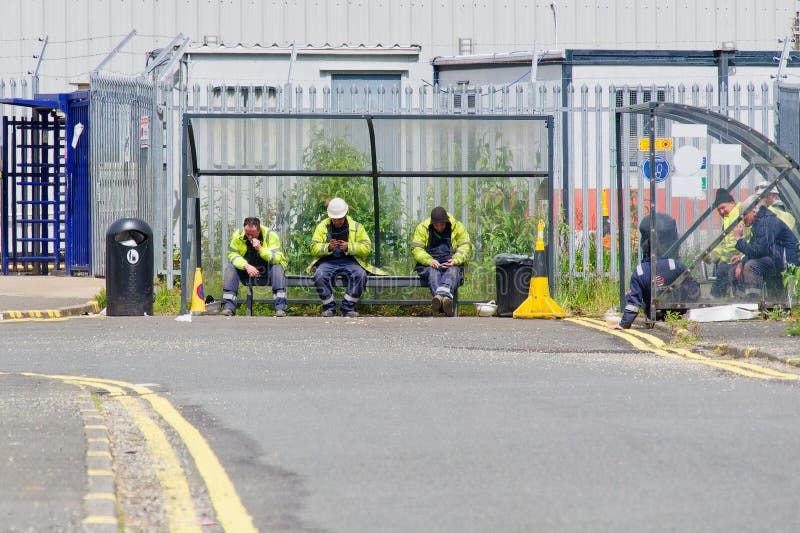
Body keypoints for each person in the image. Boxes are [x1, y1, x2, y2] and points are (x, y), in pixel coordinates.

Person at [610, 213, 700, 329]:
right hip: (678, 315)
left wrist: (623, 324)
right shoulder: (676, 266)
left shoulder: (640, 271)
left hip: (653, 315)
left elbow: (633, 303)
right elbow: (694, 291)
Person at [308, 197, 385, 317]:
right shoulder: (322, 226)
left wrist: (349, 247)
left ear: (345, 214)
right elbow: (313, 248)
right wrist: (328, 247)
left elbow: (366, 248)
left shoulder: (357, 227)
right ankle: (329, 308)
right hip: (328, 261)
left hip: (350, 260)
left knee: (360, 274)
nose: (337, 221)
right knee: (319, 275)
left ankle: (348, 307)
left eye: (339, 219)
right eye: (334, 218)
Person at [732, 194, 799, 299]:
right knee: (736, 267)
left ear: (753, 211)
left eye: (744, 215)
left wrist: (739, 239)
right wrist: (741, 262)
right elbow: (756, 248)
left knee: (751, 266)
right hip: (775, 257)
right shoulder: (760, 222)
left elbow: (756, 251)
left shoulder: (766, 221)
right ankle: (741, 300)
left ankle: (753, 301)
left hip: (785, 261)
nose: (743, 220)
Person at [411, 206, 472, 316]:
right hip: (429, 264)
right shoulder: (422, 228)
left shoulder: (457, 227)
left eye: (442, 225)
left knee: (453, 271)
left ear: (447, 221)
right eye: (436, 225)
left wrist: (455, 260)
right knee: (433, 273)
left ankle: (439, 301)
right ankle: (446, 302)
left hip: (451, 263)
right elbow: (417, 249)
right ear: (431, 223)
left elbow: (465, 246)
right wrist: (429, 260)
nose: (439, 228)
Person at [222, 217, 288, 317]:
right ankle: (229, 308)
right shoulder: (238, 235)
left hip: (267, 269)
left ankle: (280, 309)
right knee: (230, 268)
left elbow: (277, 258)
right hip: (247, 269)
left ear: (259, 229)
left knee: (277, 268)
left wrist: (260, 249)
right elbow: (232, 255)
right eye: (247, 233)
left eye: (252, 234)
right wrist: (246, 266)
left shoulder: (270, 235)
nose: (249, 236)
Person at [706, 188, 746, 298]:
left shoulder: (741, 216)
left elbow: (748, 240)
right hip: (728, 262)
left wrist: (742, 257)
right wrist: (710, 256)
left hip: (740, 260)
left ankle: (714, 302)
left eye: (723, 208)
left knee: (723, 275)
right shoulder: (727, 221)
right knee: (720, 272)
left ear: (732, 203)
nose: (721, 212)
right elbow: (724, 246)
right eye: (719, 210)